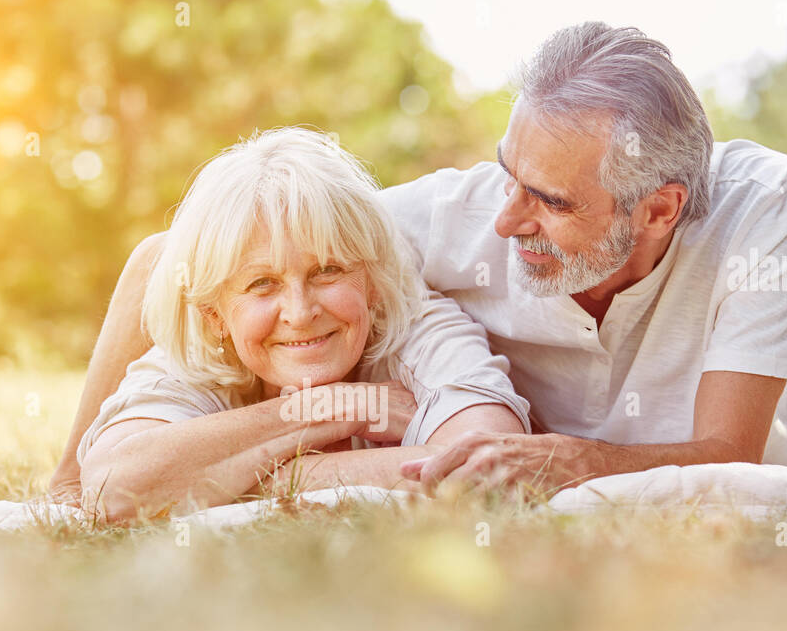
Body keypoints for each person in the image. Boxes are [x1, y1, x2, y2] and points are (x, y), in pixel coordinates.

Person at [53, 22, 787, 505]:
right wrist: (65, 484)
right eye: (510, 174)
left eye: (550, 202)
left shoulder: (761, 204)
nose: (508, 218)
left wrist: (573, 461)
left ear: (658, 208)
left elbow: (728, 459)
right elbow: (163, 262)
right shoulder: (456, 219)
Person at [75, 127, 529, 522]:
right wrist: (331, 409)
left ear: (371, 281)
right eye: (262, 284)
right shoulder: (200, 353)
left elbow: (493, 468)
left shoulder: (418, 326)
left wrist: (229, 477)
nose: (299, 311)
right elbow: (111, 488)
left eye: (327, 271)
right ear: (215, 314)